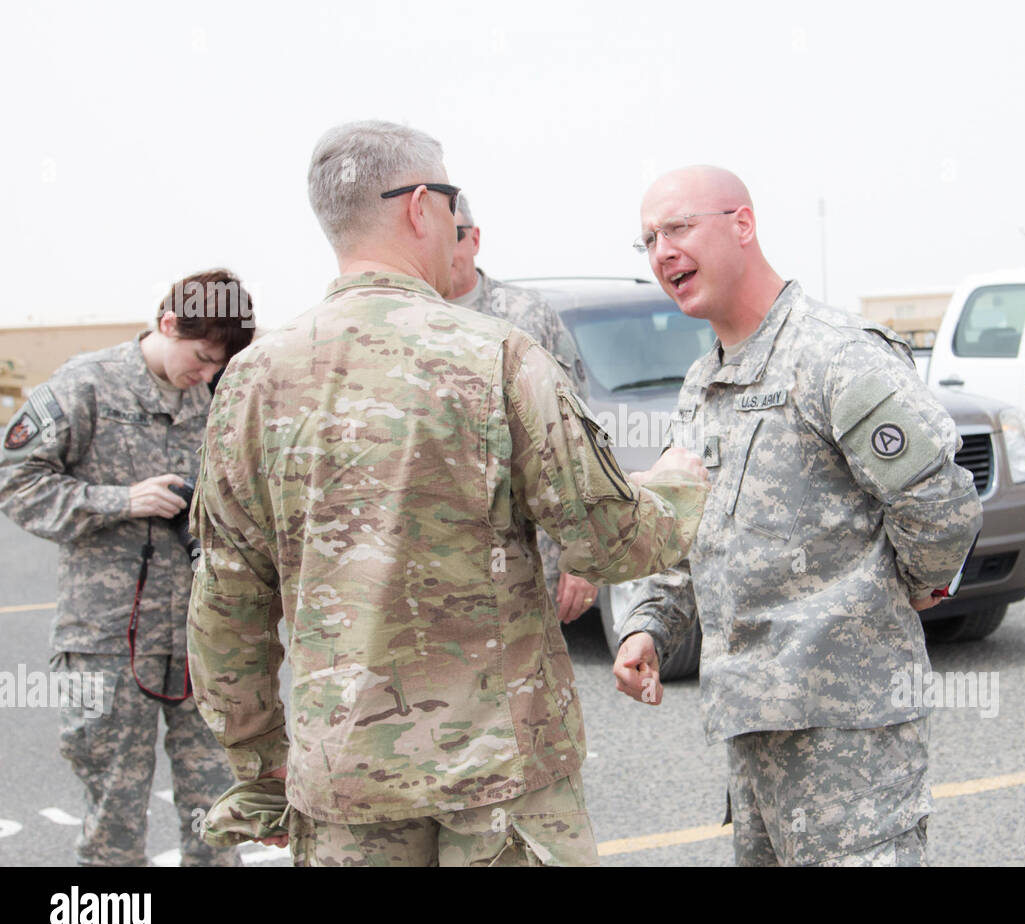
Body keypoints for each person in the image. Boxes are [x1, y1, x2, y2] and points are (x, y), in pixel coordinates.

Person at [185, 120, 709, 867]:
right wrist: (680, 484)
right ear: (420, 207)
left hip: (346, 781)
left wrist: (259, 766)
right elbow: (611, 540)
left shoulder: (253, 381)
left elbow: (225, 605)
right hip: (502, 781)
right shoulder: (494, 355)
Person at [612, 166, 982, 867]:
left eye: (679, 228)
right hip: (753, 733)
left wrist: (906, 587)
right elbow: (690, 528)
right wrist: (649, 626)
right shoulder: (704, 383)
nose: (661, 251)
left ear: (742, 225)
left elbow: (938, 504)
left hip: (850, 737)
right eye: (648, 239)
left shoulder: (833, 354)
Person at [0, 269, 256, 866]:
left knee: (218, 811)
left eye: (219, 365)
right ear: (168, 324)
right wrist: (119, 500)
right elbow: (14, 480)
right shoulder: (85, 385)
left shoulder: (220, 395)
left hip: (202, 639)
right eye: (201, 357)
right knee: (113, 817)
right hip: (109, 639)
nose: (207, 374)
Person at [446, 196, 598, 623]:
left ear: (474, 239)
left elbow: (576, 433)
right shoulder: (405, 323)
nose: (445, 247)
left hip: (528, 555)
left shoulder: (527, 316)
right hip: (437, 563)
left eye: (455, 235)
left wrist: (583, 553)